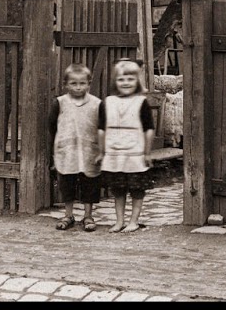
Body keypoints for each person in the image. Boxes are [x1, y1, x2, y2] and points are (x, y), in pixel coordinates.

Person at [98, 58, 155, 233]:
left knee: (137, 189)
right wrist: (102, 151)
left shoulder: (141, 102)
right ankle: (119, 221)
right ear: (115, 81)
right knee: (118, 190)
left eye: (130, 79)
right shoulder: (108, 102)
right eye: (121, 79)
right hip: (114, 155)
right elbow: (101, 129)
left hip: (135, 154)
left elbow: (148, 129)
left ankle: (134, 221)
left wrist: (147, 153)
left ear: (137, 81)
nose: (126, 83)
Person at [48, 63, 102, 231]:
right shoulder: (60, 103)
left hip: (89, 150)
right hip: (67, 151)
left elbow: (102, 127)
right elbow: (52, 127)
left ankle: (88, 215)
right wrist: (56, 149)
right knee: (67, 183)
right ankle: (68, 214)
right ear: (66, 84)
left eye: (82, 83)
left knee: (89, 183)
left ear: (89, 83)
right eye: (73, 83)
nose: (78, 87)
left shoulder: (96, 104)